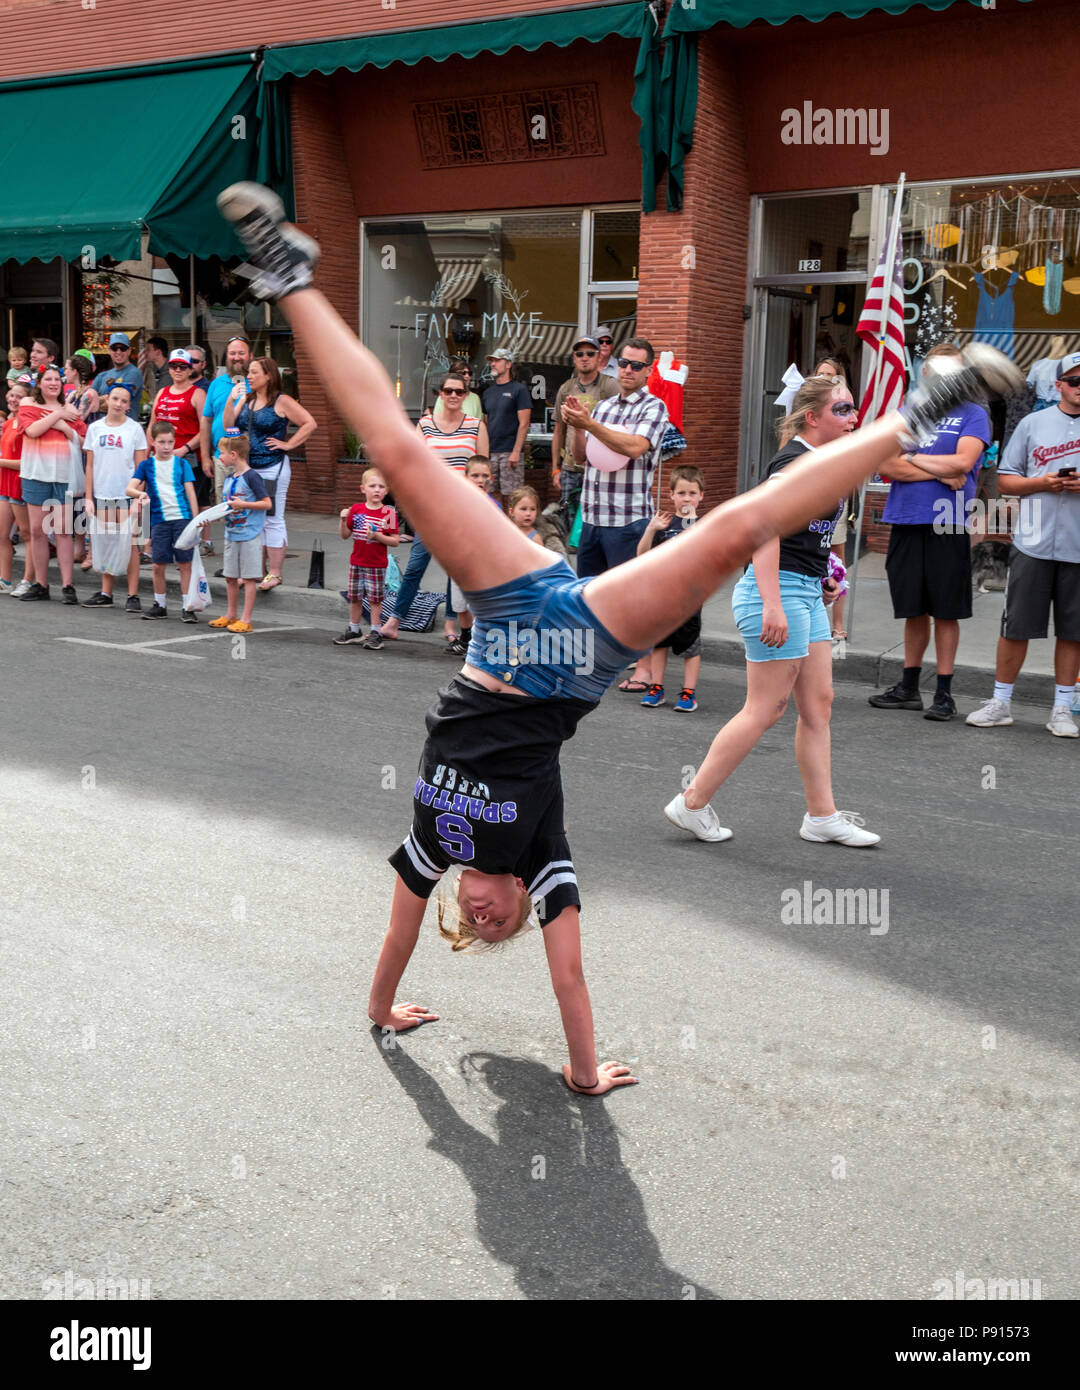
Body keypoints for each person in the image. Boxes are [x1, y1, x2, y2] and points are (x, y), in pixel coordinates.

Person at [215, 182, 1016, 1087]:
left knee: (399, 456)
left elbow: (397, 938)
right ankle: (920, 411)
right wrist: (585, 1071)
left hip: (506, 619)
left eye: (470, 920)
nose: (481, 913)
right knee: (732, 530)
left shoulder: (431, 849)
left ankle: (287, 278)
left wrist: (378, 1009)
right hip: (576, 655)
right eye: (496, 921)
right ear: (519, 902)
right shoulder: (542, 858)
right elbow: (571, 976)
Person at [663, 375, 883, 847]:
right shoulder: (793, 464)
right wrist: (772, 602)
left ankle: (821, 816)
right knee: (766, 708)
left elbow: (810, 533)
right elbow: (764, 528)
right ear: (813, 417)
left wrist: (822, 574)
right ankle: (692, 802)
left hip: (803, 588)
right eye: (842, 410)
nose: (853, 418)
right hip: (775, 589)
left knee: (817, 705)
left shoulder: (823, 462)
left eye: (852, 409)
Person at [867, 343, 991, 721]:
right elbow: (887, 463)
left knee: (945, 611)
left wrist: (913, 460)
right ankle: (908, 688)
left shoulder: (974, 414)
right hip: (905, 518)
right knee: (913, 609)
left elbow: (966, 461)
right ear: (925, 373)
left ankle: (944, 694)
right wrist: (942, 470)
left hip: (946, 520)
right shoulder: (908, 415)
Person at [966, 351, 1080, 738]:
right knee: (1016, 627)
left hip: (1078, 546)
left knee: (1073, 631)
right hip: (1033, 542)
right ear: (1059, 385)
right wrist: (1043, 483)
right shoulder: (1034, 423)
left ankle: (1063, 709)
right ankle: (1001, 702)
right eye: (1074, 381)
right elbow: (1007, 482)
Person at [564, 336, 669, 694]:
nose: (627, 370)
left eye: (636, 365)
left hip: (629, 520)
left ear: (648, 371)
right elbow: (583, 457)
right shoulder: (605, 408)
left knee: (633, 599)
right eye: (623, 363)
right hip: (593, 515)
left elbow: (635, 447)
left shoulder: (654, 408)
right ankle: (588, 661)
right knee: (588, 596)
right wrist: (579, 426)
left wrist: (590, 425)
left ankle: (642, 669)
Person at [380, 371, 488, 647]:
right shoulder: (426, 424)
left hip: (462, 510)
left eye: (459, 392)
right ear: (440, 393)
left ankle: (451, 625)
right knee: (416, 565)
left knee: (456, 571)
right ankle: (394, 620)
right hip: (430, 509)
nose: (453, 396)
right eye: (448, 391)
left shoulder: (476, 426)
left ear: (466, 396)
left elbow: (482, 471)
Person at [223, 355, 317, 590]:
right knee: (254, 518)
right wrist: (231, 399)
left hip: (273, 466)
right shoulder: (247, 399)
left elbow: (309, 423)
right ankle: (257, 570)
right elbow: (228, 426)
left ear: (268, 376)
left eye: (254, 372)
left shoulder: (281, 401)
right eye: (249, 373)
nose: (249, 377)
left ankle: (275, 573)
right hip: (250, 468)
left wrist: (289, 444)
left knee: (273, 518)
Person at [635, 464, 706, 712]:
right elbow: (642, 555)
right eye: (682, 493)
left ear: (701, 496)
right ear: (671, 495)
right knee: (660, 644)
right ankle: (656, 688)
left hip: (689, 598)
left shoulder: (705, 526)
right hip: (663, 597)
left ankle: (688, 693)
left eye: (692, 493)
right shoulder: (664, 524)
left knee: (690, 647)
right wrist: (650, 529)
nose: (687, 498)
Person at [16, 363, 86, 604]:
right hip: (35, 474)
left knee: (63, 530)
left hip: (64, 476)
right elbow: (32, 432)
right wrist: (57, 415)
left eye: (57, 378)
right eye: (48, 379)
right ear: (39, 383)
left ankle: (68, 585)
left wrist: (65, 426)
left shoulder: (72, 411)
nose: (54, 383)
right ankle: (41, 585)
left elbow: (82, 440)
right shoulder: (28, 406)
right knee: (37, 531)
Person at [81, 384, 148, 611]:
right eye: (115, 399)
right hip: (102, 493)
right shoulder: (95, 428)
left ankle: (132, 595)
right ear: (107, 400)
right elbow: (89, 466)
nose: (119, 404)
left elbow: (141, 467)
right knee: (106, 543)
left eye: (124, 401)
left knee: (130, 544)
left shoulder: (135, 430)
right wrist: (89, 497)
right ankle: (106, 592)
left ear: (129, 406)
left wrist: (138, 497)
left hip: (125, 494)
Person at [126, 420, 199, 622]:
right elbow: (130, 488)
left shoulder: (182, 464)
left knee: (185, 564)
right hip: (159, 520)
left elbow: (190, 493)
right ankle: (160, 604)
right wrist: (139, 495)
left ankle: (187, 607)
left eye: (170, 442)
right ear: (153, 442)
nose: (167, 447)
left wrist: (195, 520)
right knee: (158, 565)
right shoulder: (146, 465)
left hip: (182, 519)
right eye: (162, 442)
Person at [551, 334, 619, 527]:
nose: (584, 357)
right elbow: (558, 431)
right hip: (570, 468)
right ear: (574, 358)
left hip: (599, 467)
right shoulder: (566, 389)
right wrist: (555, 468)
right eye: (579, 354)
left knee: (598, 521)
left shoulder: (611, 386)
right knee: (568, 522)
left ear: (599, 357)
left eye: (590, 353)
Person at [207, 433, 271, 634]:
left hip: (249, 534)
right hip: (231, 533)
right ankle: (231, 614)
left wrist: (243, 504)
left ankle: (246, 618)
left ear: (233, 454)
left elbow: (266, 503)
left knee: (249, 578)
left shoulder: (252, 477)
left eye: (222, 453)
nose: (219, 456)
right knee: (230, 577)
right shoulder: (229, 477)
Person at [333, 465, 400, 650]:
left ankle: (376, 632)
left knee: (374, 599)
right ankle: (354, 630)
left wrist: (377, 536)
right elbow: (346, 534)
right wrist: (342, 519)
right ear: (363, 489)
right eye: (372, 486)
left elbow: (395, 541)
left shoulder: (389, 513)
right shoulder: (356, 509)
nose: (377, 490)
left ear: (386, 491)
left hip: (377, 564)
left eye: (381, 486)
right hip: (357, 561)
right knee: (354, 597)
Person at [200, 335, 251, 504]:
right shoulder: (216, 384)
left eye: (241, 353)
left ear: (250, 356)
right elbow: (206, 421)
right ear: (227, 356)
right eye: (232, 353)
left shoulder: (256, 383)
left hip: (250, 460)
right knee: (224, 508)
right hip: (221, 457)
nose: (236, 357)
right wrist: (206, 457)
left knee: (247, 507)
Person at [0, 377, 36, 596]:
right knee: (2, 535)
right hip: (4, 483)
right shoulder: (8, 422)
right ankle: (5, 579)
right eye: (12, 395)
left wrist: (1, 462)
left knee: (28, 534)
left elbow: (26, 460)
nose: (14, 399)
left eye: (19, 396)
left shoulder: (26, 424)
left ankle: (28, 580)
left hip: (20, 483)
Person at [482, 348, 531, 501]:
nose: (493, 364)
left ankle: (510, 526)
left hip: (510, 452)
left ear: (508, 364)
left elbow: (524, 423)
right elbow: (485, 422)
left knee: (513, 498)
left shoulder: (519, 390)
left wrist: (516, 451)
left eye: (497, 360)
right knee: (490, 495)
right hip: (491, 452)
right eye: (492, 361)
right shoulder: (487, 392)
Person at [91, 333, 143, 420]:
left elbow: (120, 402)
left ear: (129, 351)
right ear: (109, 350)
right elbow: (88, 400)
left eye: (123, 349)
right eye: (115, 348)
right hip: (102, 429)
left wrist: (95, 402)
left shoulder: (134, 373)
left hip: (124, 430)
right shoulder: (102, 376)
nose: (118, 352)